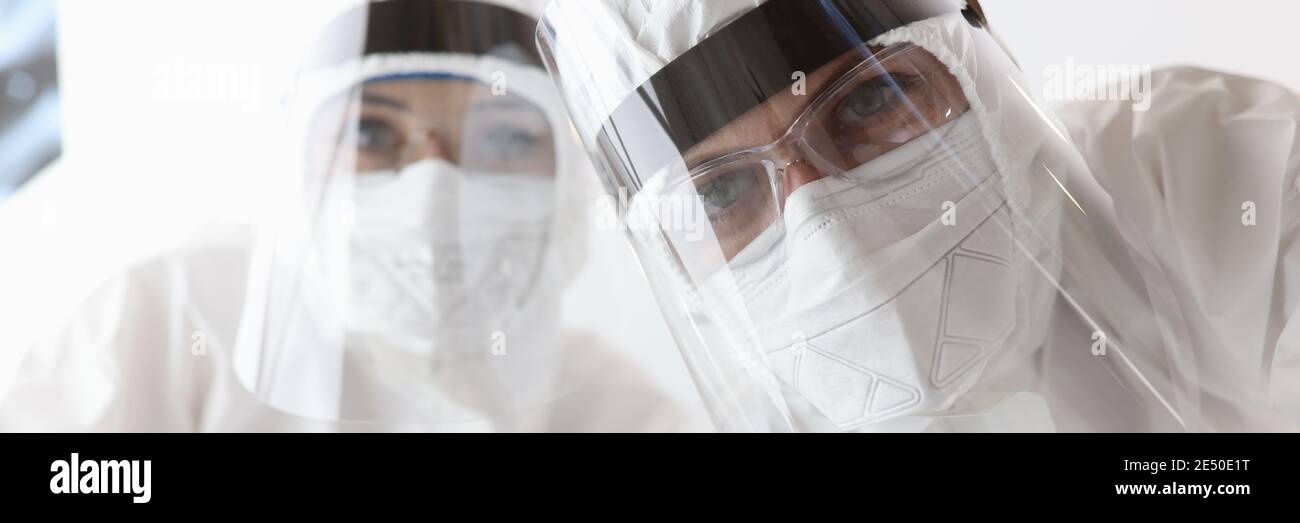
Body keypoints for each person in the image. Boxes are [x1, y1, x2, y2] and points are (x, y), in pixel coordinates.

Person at [536, 0, 1300, 432]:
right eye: (718, 193)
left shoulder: (1224, 177)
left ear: (979, 73)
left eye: (869, 100)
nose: (831, 238)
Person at [0, 0, 682, 432]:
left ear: (565, 179)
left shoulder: (611, 406)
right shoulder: (167, 320)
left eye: (501, 138)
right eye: (371, 135)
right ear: (296, 159)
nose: (434, 185)